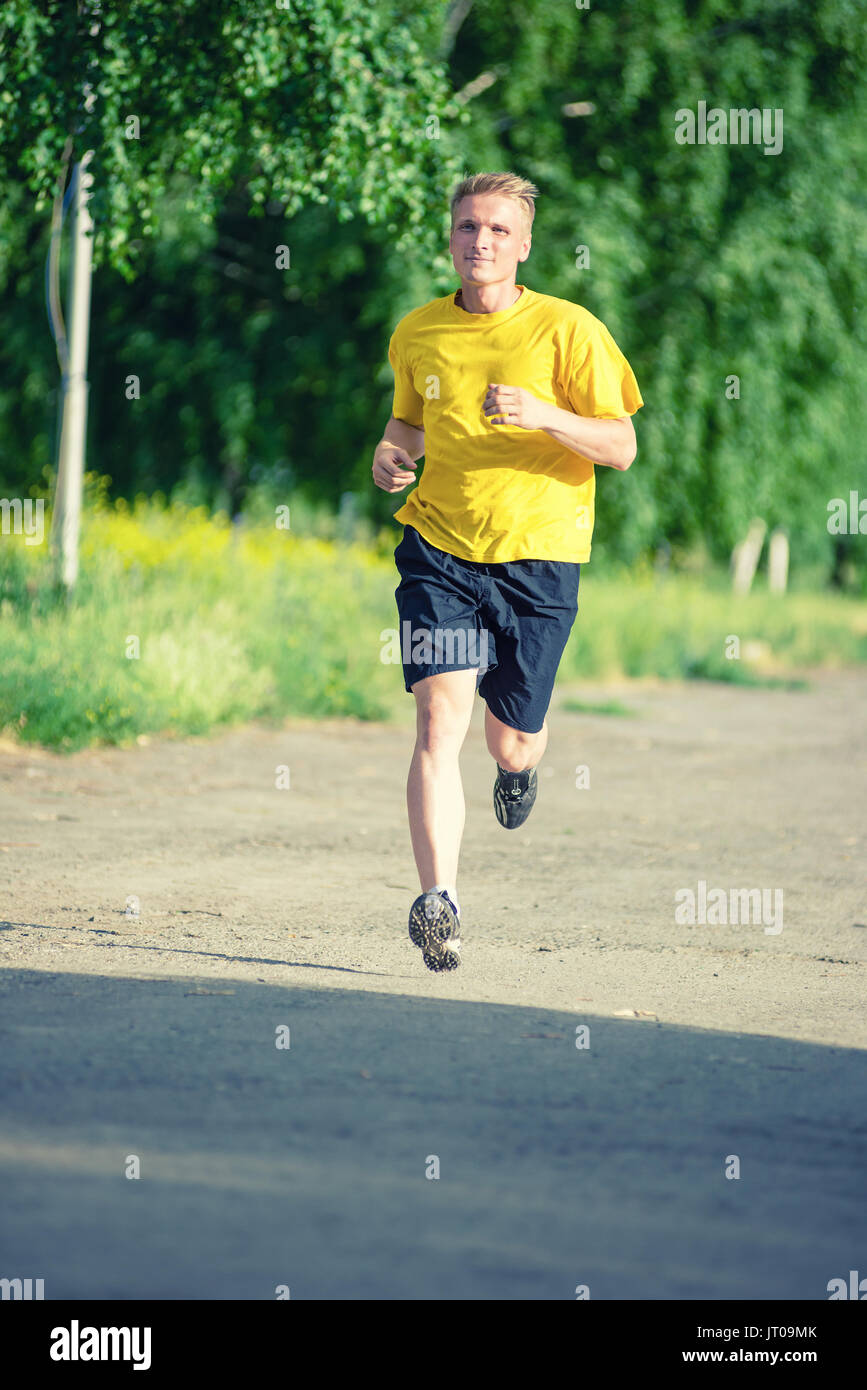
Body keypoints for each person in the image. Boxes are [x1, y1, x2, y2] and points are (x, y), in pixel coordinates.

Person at [371, 171, 643, 972]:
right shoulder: (418, 332)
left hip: (540, 556)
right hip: (440, 549)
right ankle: (438, 904)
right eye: (466, 227)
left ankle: (519, 770)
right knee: (435, 723)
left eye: (495, 230)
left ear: (523, 245)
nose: (478, 242)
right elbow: (409, 421)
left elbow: (620, 447)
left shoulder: (568, 329)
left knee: (511, 740)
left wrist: (545, 415)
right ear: (449, 237)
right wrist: (392, 454)